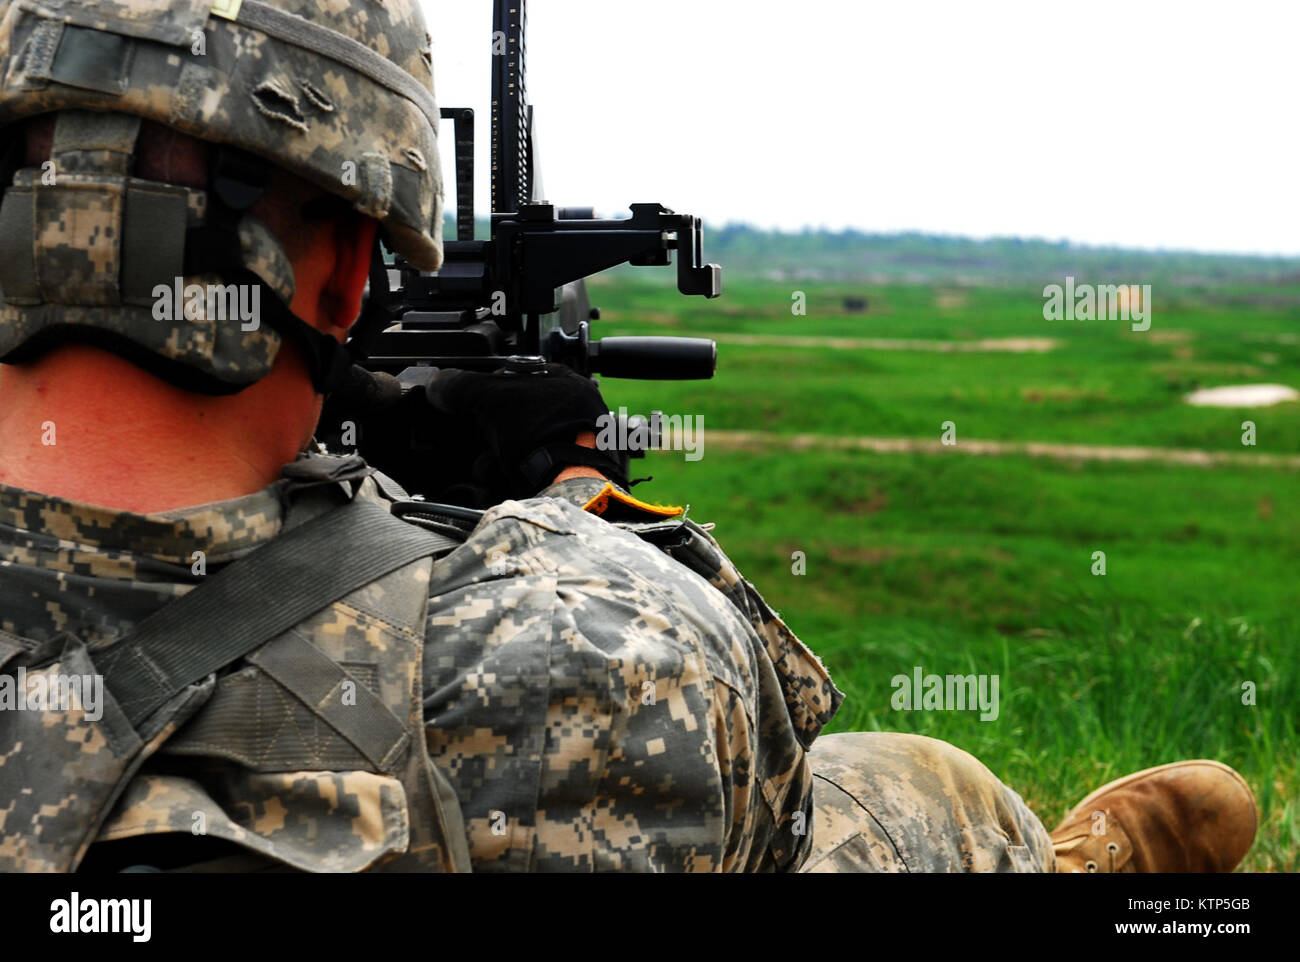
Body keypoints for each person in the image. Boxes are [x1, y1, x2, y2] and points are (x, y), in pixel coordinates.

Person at [0, 0, 1256, 874]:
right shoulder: (582, 656)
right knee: (928, 788)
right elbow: (760, 729)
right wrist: (564, 501)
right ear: (343, 271)